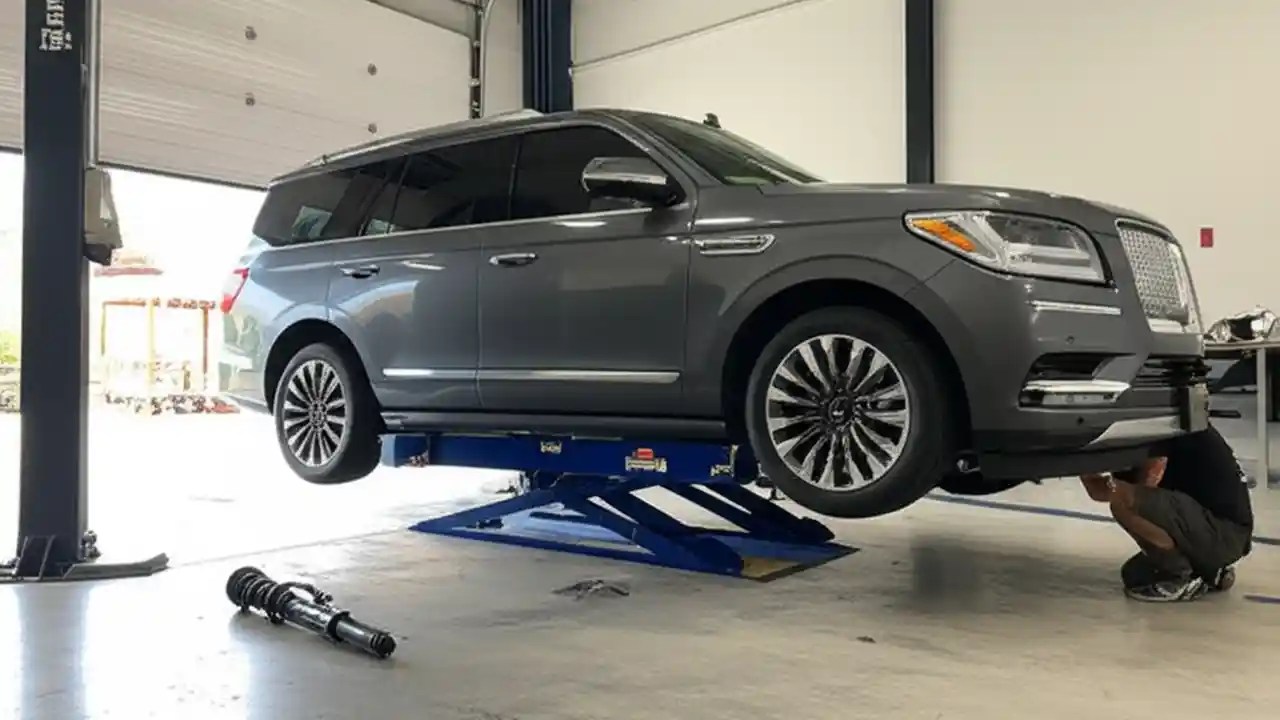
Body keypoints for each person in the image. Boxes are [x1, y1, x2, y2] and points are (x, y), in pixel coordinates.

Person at [1081, 423, 1253, 602]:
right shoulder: (1174, 420)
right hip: (1227, 533)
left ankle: (1179, 576)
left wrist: (1083, 460)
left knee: (1124, 503)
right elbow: (1102, 492)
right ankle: (1211, 570)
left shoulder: (1165, 426)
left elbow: (1132, 492)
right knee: (1135, 575)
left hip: (1223, 532)